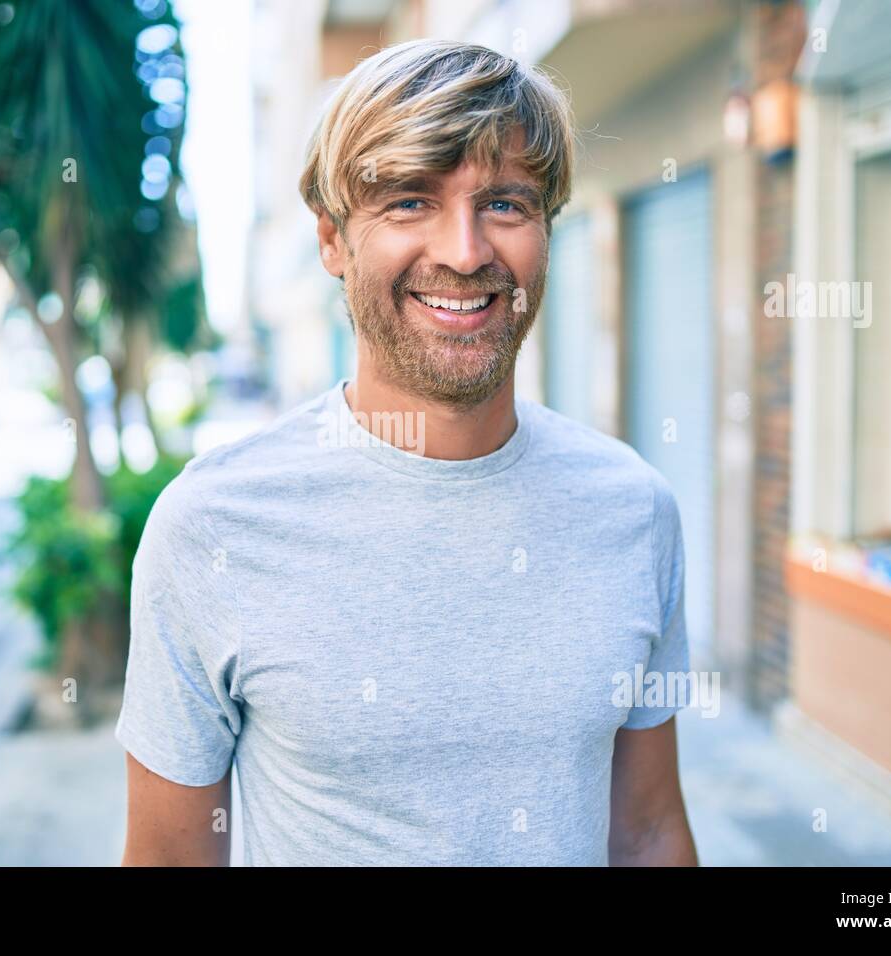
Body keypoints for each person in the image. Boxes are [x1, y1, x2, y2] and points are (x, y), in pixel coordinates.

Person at [117, 38, 698, 866]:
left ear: (546, 230)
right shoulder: (212, 527)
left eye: (505, 204)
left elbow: (646, 833)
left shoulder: (635, 509)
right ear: (331, 241)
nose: (464, 253)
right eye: (408, 202)